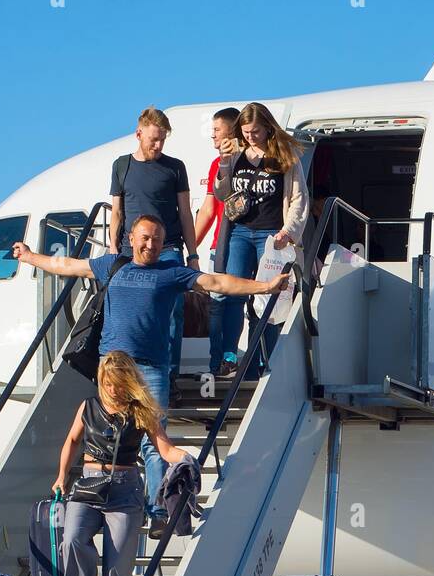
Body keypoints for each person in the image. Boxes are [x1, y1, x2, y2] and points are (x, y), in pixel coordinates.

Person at [13, 217, 289, 534]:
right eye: (145, 238)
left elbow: (216, 283)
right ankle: (104, 502)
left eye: (157, 239)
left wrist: (264, 286)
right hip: (114, 369)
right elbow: (68, 265)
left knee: (154, 440)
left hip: (152, 368)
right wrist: (30, 256)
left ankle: (157, 510)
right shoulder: (112, 265)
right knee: (106, 434)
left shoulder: (171, 273)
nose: (151, 244)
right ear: (131, 238)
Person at [53, 352, 190, 576]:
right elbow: (72, 441)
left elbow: (164, 448)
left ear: (128, 381)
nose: (112, 389)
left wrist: (185, 458)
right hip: (89, 485)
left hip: (124, 491)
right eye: (107, 383)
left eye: (117, 383)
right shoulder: (88, 407)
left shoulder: (140, 411)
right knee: (72, 540)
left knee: (118, 569)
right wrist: (62, 475)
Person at [214, 102, 308, 378]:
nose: (251, 137)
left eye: (255, 131)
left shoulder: (284, 156)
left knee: (267, 296)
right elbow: (221, 194)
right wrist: (223, 163)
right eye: (246, 132)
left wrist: (288, 231)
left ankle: (265, 359)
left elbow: (299, 198)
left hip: (271, 236)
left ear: (268, 128)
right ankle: (230, 356)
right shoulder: (237, 154)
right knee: (234, 290)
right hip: (241, 231)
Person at [109, 106, 198, 392]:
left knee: (172, 309)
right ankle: (125, 372)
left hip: (169, 246)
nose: (157, 146)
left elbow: (185, 213)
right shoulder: (122, 166)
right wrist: (113, 249)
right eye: (153, 140)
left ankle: (168, 374)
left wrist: (193, 255)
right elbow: (117, 213)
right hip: (129, 249)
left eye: (162, 140)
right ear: (138, 134)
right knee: (124, 310)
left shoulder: (175, 167)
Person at [192, 107, 240, 376]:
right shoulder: (215, 165)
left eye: (217, 130)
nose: (212, 136)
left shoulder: (248, 159)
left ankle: (231, 357)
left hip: (242, 241)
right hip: (218, 245)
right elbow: (209, 210)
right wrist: (191, 246)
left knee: (236, 302)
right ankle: (216, 361)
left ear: (231, 132)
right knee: (218, 302)